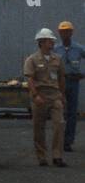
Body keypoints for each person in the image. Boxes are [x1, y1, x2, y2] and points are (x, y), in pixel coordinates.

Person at [25, 28, 67, 167]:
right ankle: (41, 156)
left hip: (55, 96)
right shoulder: (32, 59)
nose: (52, 43)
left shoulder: (57, 59)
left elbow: (61, 78)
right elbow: (30, 79)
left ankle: (57, 156)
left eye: (53, 41)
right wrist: (35, 95)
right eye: (50, 41)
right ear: (41, 42)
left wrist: (62, 94)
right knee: (39, 127)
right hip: (40, 97)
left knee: (59, 124)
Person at [53, 21, 82, 153]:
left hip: (73, 82)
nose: (65, 33)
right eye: (62, 31)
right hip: (59, 83)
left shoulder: (79, 48)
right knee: (59, 112)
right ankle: (59, 141)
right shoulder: (55, 49)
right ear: (59, 33)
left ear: (71, 32)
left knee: (71, 113)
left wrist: (83, 75)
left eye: (67, 31)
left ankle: (68, 142)